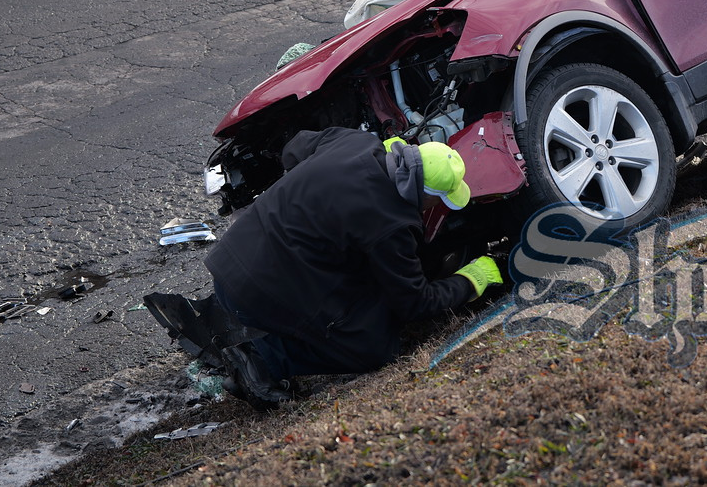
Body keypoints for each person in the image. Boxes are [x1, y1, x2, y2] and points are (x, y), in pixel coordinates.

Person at [145, 130, 504, 406]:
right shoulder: (389, 224)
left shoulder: (356, 142)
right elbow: (416, 303)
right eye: (435, 200)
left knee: (349, 281)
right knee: (376, 346)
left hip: (231, 258)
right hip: (256, 294)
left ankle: (269, 330)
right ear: (422, 193)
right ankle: (262, 359)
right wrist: (472, 279)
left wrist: (305, 198)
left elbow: (295, 147)